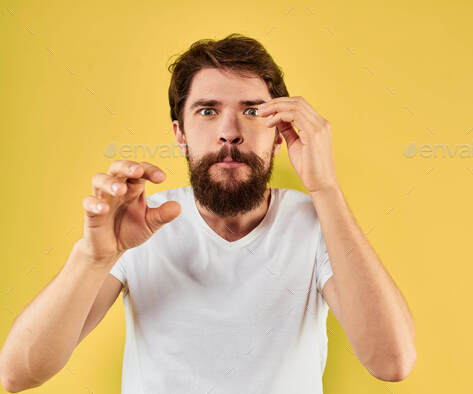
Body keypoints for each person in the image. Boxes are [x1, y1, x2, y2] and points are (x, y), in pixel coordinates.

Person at [0, 33, 416, 393]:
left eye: (253, 111)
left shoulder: (316, 221)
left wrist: (326, 189)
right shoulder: (142, 222)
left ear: (278, 135)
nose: (230, 131)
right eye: (207, 110)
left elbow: (392, 362)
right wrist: (93, 258)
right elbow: (18, 374)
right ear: (180, 135)